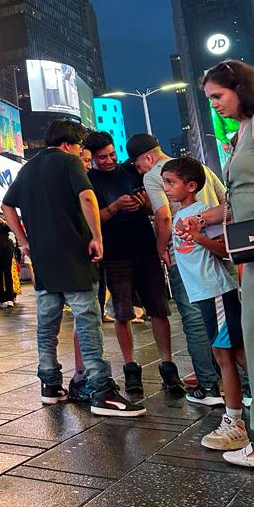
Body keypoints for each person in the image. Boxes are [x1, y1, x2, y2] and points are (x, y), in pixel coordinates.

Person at [2, 120, 145, 417]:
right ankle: (101, 390)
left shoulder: (27, 168)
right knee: (87, 320)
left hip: (44, 259)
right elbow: (87, 196)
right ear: (69, 144)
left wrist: (25, 241)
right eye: (81, 148)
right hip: (74, 256)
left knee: (48, 324)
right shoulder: (68, 162)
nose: (84, 155)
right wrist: (97, 237)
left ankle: (50, 385)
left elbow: (6, 205)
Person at [84, 130, 184, 399]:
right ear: (91, 158)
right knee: (122, 312)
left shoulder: (133, 172)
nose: (109, 160)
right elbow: (92, 219)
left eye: (112, 154)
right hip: (115, 254)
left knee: (159, 309)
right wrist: (115, 207)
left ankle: (168, 366)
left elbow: (156, 207)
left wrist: (142, 205)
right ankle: (130, 368)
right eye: (102, 157)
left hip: (146, 249)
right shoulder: (89, 180)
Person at [128, 133, 225, 406]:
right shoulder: (196, 166)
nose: (139, 171)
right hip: (215, 246)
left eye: (138, 164)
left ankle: (208, 384)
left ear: (148, 157)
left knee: (193, 318)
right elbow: (223, 199)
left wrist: (161, 246)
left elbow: (163, 214)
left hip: (184, 255)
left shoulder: (155, 174)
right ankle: (232, 378)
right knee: (221, 315)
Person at [161, 157, 248, 451]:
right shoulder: (179, 215)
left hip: (217, 292)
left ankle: (235, 423)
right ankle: (235, 421)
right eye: (166, 183)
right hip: (205, 295)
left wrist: (199, 236)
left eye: (172, 182)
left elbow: (225, 250)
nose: (167, 188)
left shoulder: (201, 214)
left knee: (230, 356)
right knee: (231, 355)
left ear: (191, 186)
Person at [197, 60, 254, 468]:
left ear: (240, 87)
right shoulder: (242, 133)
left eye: (218, 95)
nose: (214, 105)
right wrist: (205, 219)